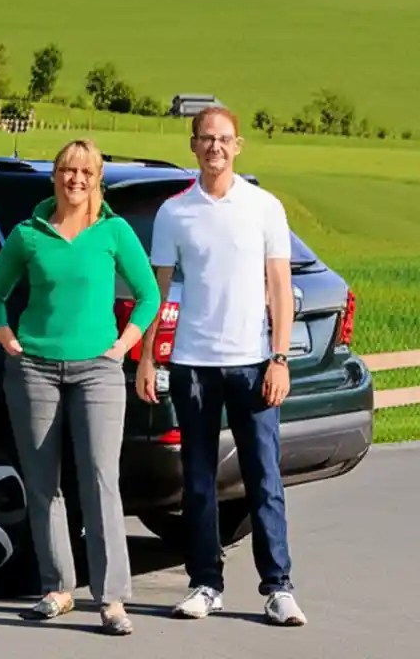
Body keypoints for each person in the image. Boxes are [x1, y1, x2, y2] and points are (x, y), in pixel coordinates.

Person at [135, 107, 308, 627]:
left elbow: (279, 286)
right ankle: (205, 582)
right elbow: (155, 289)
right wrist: (147, 356)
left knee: (264, 479)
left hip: (253, 364)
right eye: (206, 139)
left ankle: (278, 587)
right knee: (200, 484)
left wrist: (279, 358)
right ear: (194, 146)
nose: (215, 147)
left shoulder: (263, 207)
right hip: (192, 365)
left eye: (224, 140)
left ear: (239, 146)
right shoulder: (174, 213)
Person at [0, 139, 161, 636]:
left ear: (97, 178)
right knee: (43, 483)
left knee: (101, 479)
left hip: (98, 369)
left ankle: (111, 600)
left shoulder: (114, 232)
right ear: (55, 177)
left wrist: (123, 345)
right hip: (34, 368)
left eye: (85, 171)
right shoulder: (28, 234)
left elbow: (148, 294)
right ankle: (57, 588)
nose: (75, 179)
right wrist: (7, 339)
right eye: (66, 170)